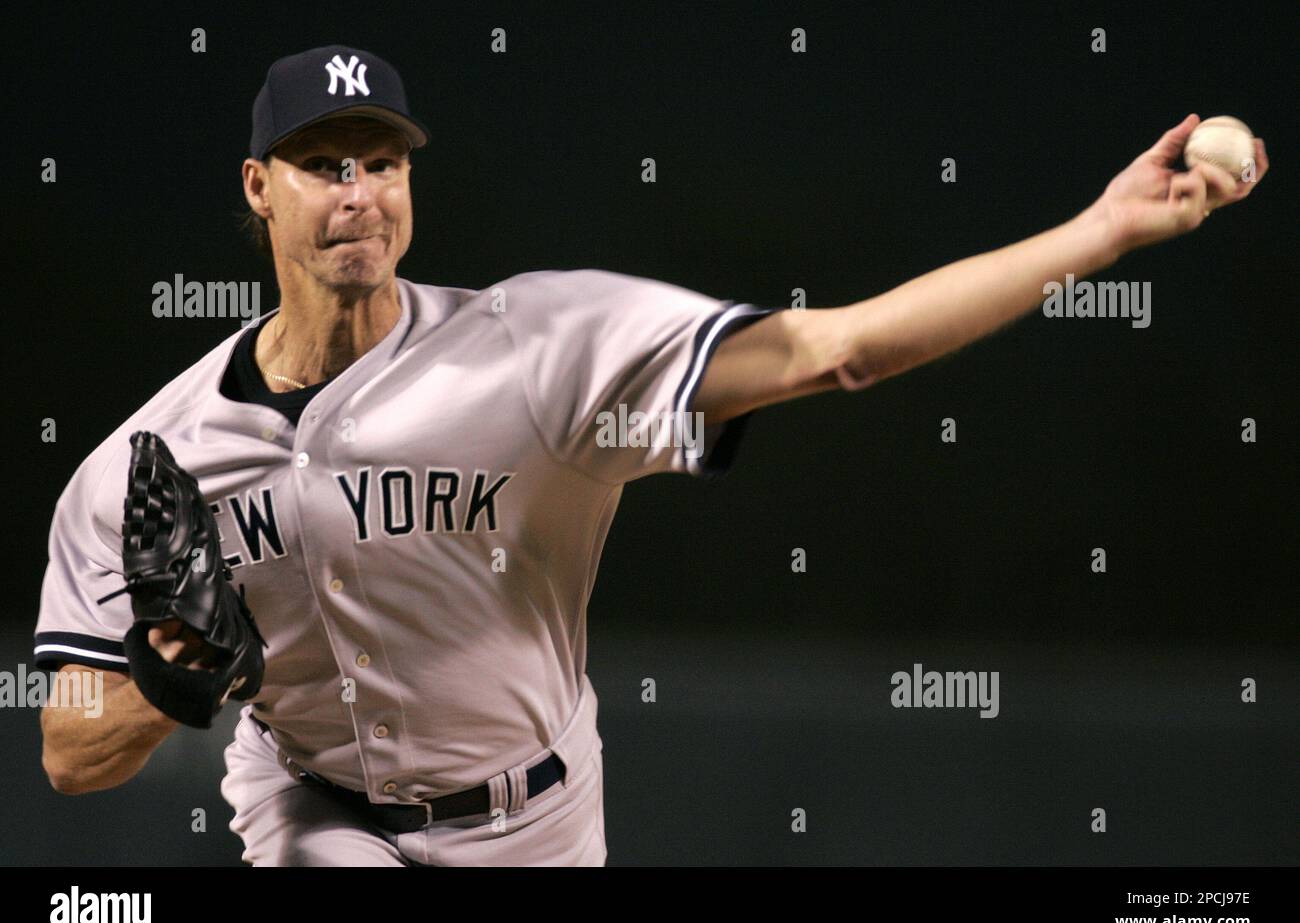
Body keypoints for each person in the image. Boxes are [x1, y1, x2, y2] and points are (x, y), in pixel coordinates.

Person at [34, 44, 1267, 866]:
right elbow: (71, 751)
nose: (361, 192)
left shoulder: (537, 348)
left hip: (541, 813)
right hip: (311, 807)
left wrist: (1097, 231)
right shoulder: (153, 455)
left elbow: (835, 351)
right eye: (325, 164)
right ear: (259, 187)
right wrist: (174, 682)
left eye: (387, 162)